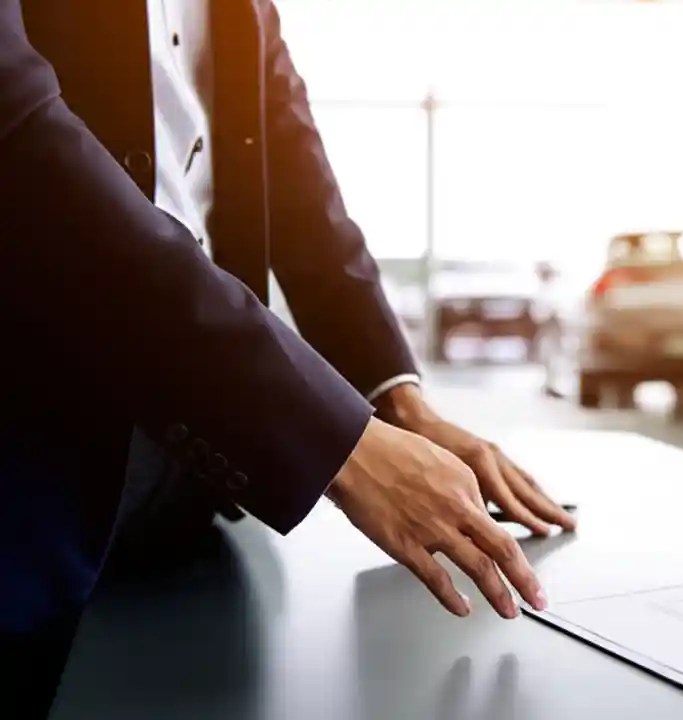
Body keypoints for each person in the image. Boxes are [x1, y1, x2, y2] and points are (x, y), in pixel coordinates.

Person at [0, 0, 575, 713]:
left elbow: (289, 156)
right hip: (28, 480)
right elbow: (25, 153)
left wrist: (398, 400)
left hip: (194, 470)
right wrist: (342, 442)